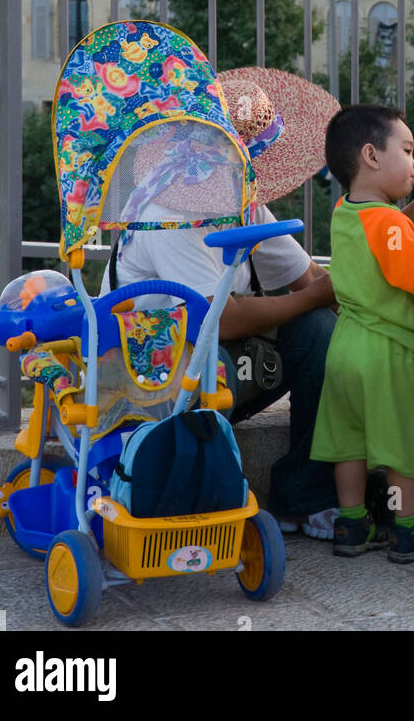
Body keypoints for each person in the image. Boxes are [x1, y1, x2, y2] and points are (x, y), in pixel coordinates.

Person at [100, 71, 342, 540]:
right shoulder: (168, 213)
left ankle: (304, 497)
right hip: (157, 366)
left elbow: (306, 277)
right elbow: (220, 317)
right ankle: (196, 492)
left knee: (321, 332)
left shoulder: (240, 196)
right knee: (234, 356)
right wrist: (311, 297)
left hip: (216, 351)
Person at [310, 104, 414, 563]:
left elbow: (390, 243)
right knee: (402, 446)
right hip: (387, 351)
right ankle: (411, 530)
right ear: (372, 156)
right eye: (408, 149)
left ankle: (352, 524)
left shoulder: (345, 212)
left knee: (350, 443)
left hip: (345, 349)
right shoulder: (391, 223)